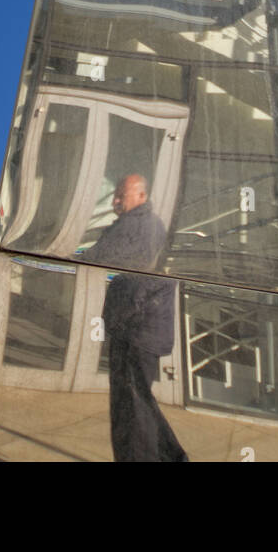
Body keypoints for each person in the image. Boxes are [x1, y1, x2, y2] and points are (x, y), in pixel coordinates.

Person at [89, 173, 188, 462]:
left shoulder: (140, 226)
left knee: (131, 407)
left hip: (137, 330)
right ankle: (174, 458)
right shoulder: (142, 224)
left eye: (122, 196)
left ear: (142, 197)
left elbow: (99, 255)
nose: (115, 201)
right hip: (141, 328)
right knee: (139, 400)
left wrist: (124, 318)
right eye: (115, 195)